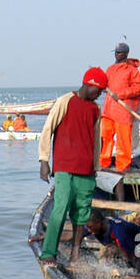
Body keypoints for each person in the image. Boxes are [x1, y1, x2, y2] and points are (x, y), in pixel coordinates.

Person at [37, 68, 108, 264]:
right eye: (98, 90)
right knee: (60, 208)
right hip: (64, 167)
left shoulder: (95, 109)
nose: (99, 94)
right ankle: (49, 253)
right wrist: (44, 160)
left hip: (86, 170)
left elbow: (96, 140)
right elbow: (47, 129)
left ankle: (75, 254)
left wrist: (96, 166)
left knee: (81, 214)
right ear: (89, 84)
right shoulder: (66, 101)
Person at [100, 42, 140, 172]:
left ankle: (123, 165)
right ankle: (103, 162)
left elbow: (138, 88)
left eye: (119, 52)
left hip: (124, 111)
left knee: (123, 140)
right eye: (116, 52)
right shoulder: (110, 69)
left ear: (126, 53)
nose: (117, 54)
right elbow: (105, 84)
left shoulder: (132, 70)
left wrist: (121, 94)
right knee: (105, 136)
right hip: (108, 109)